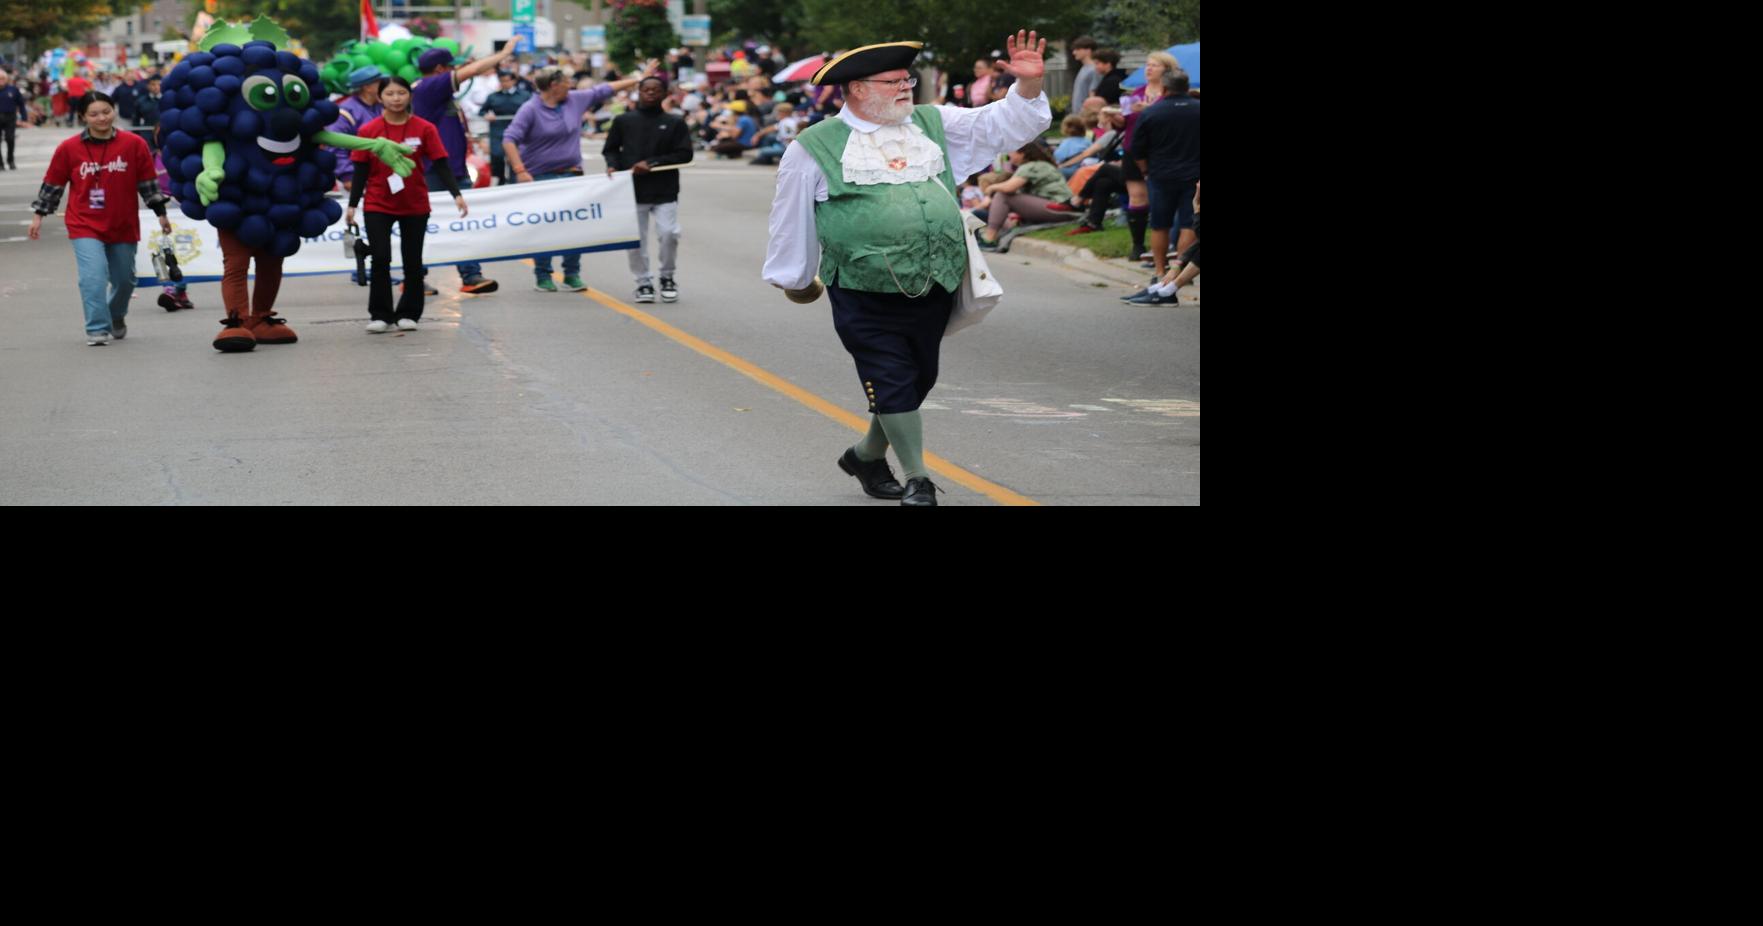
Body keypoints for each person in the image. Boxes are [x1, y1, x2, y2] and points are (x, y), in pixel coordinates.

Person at [763, 31, 1052, 507]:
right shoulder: (813, 146)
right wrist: (794, 275)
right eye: (893, 81)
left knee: (917, 377)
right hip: (861, 287)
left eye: (908, 79)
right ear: (857, 89)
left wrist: (1028, 86)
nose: (905, 87)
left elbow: (1000, 124)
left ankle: (865, 456)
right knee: (892, 376)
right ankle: (919, 478)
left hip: (935, 279)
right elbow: (790, 214)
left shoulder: (931, 122)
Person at [27, 91, 172, 345]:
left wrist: (161, 214)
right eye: (94, 114)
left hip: (122, 222)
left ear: (114, 111)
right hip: (84, 223)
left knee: (125, 280)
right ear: (83, 116)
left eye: (106, 112)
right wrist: (39, 215)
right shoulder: (69, 148)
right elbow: (53, 183)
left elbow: (148, 183)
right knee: (92, 278)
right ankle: (97, 328)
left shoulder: (134, 144)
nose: (102, 118)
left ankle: (116, 314)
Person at [503, 63, 654, 292]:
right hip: (540, 176)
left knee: (574, 227)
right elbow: (509, 139)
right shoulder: (530, 109)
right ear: (553, 85)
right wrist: (520, 170)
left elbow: (604, 90)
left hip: (572, 173)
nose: (570, 86)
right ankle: (543, 275)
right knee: (543, 228)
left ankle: (571, 274)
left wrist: (638, 79)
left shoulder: (574, 99)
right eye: (566, 82)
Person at [345, 77, 469, 334]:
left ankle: (409, 313)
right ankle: (380, 314)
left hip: (414, 202)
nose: (396, 98)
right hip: (378, 202)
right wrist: (353, 204)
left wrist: (456, 194)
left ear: (410, 96)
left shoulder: (425, 128)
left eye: (401, 93)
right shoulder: (368, 130)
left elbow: (441, 163)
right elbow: (360, 169)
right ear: (380, 97)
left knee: (413, 260)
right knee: (380, 258)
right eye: (390, 93)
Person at [412, 44, 516, 295]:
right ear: (440, 69)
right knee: (424, 224)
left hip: (453, 168)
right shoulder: (430, 86)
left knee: (463, 223)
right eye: (451, 67)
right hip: (434, 170)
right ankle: (414, 278)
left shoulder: (438, 91)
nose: (456, 71)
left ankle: (470, 275)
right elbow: (472, 71)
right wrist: (502, 55)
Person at [602, 74, 694, 304]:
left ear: (665, 94)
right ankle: (643, 281)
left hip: (665, 189)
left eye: (656, 89)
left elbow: (685, 154)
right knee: (635, 239)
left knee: (669, 234)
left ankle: (667, 277)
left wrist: (652, 163)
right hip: (632, 189)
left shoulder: (675, 122)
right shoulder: (623, 120)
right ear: (639, 92)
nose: (651, 93)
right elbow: (611, 149)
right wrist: (612, 165)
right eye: (646, 89)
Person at [1129, 70, 1200, 282]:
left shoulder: (1152, 112)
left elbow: (1137, 148)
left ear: (1164, 88)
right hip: (1194, 174)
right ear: (1187, 87)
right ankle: (1178, 273)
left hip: (1161, 174)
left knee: (1160, 224)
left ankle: (1160, 272)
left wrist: (1145, 170)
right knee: (1189, 224)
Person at [974, 141, 1072, 249]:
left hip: (1059, 209)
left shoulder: (1031, 166)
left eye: (1011, 152)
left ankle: (989, 239)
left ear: (1022, 153)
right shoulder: (1039, 164)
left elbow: (1009, 187)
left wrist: (991, 188)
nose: (1009, 155)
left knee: (1002, 196)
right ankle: (993, 234)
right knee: (1003, 198)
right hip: (1060, 208)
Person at [478, 70, 531, 184]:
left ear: (514, 81)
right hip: (498, 130)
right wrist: (487, 115)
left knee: (515, 155)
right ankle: (500, 179)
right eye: (502, 81)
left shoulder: (525, 95)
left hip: (518, 130)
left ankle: (514, 179)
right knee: (497, 155)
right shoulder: (493, 97)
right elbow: (482, 111)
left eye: (507, 81)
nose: (505, 83)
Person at [0, 71, 25, 170]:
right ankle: (0, 163)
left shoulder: (13, 90)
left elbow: (21, 104)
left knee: (10, 138)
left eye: (3, 79)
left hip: (10, 117)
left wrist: (24, 117)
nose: (1, 81)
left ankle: (10, 160)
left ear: (6, 79)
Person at [1068, 37, 1100, 108]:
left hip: (1086, 113)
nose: (1074, 52)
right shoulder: (1083, 68)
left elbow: (1093, 95)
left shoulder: (1094, 70)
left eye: (1077, 49)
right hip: (1078, 113)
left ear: (1088, 50)